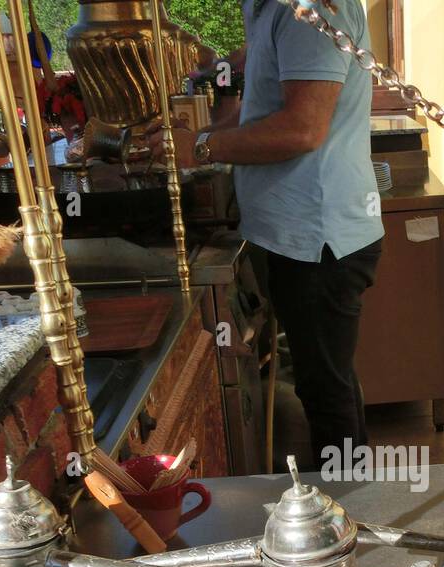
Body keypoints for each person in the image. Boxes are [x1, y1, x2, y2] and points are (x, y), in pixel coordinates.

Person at [145, 0, 383, 469]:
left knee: (325, 388)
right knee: (326, 375)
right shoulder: (265, 8)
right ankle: (351, 499)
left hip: (319, 238)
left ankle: (347, 510)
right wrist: (204, 135)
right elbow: (261, 112)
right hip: (298, 235)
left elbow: (301, 129)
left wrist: (201, 146)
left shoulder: (305, 10)